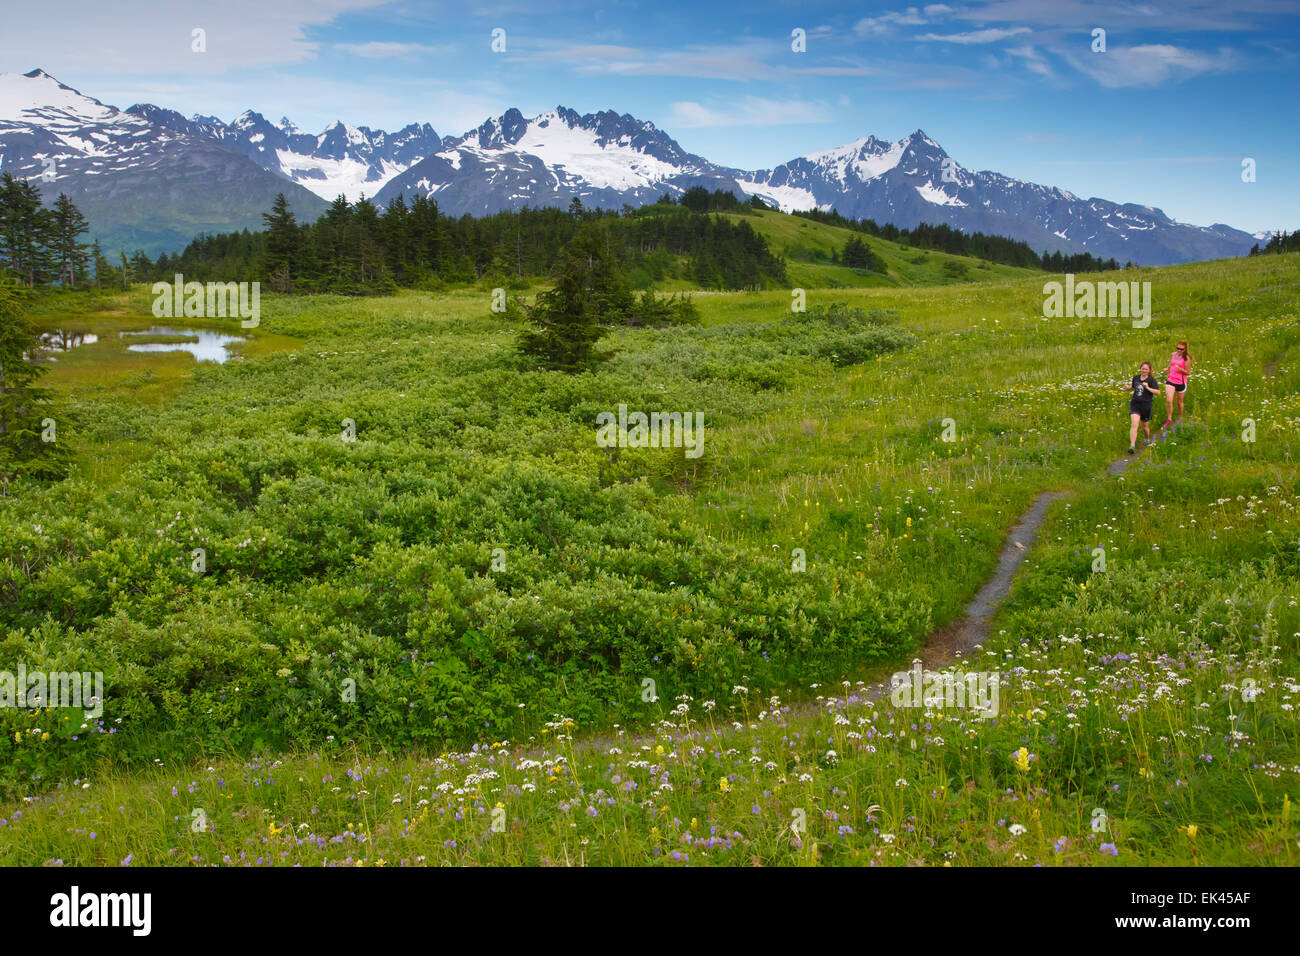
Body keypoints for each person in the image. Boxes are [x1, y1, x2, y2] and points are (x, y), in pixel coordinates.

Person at [1123, 361, 1162, 453]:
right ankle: (1132, 446)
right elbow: (1133, 387)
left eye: (1146, 369)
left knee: (1145, 427)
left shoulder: (1151, 380)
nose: (1144, 370)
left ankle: (1147, 439)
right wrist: (1127, 388)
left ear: (1149, 371)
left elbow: (1158, 392)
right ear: (1140, 369)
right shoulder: (1136, 378)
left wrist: (1148, 387)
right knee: (1134, 424)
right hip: (1135, 404)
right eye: (1143, 368)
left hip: (1146, 405)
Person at [1163, 340, 1190, 428]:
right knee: (1169, 400)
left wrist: (1180, 369)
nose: (1179, 350)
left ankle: (1180, 417)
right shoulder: (1174, 354)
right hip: (1171, 379)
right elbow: (1172, 363)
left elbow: (1187, 372)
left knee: (1179, 402)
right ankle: (1169, 419)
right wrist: (1167, 368)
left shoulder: (1187, 358)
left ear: (1185, 350)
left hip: (1181, 382)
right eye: (1178, 348)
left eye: (1181, 349)